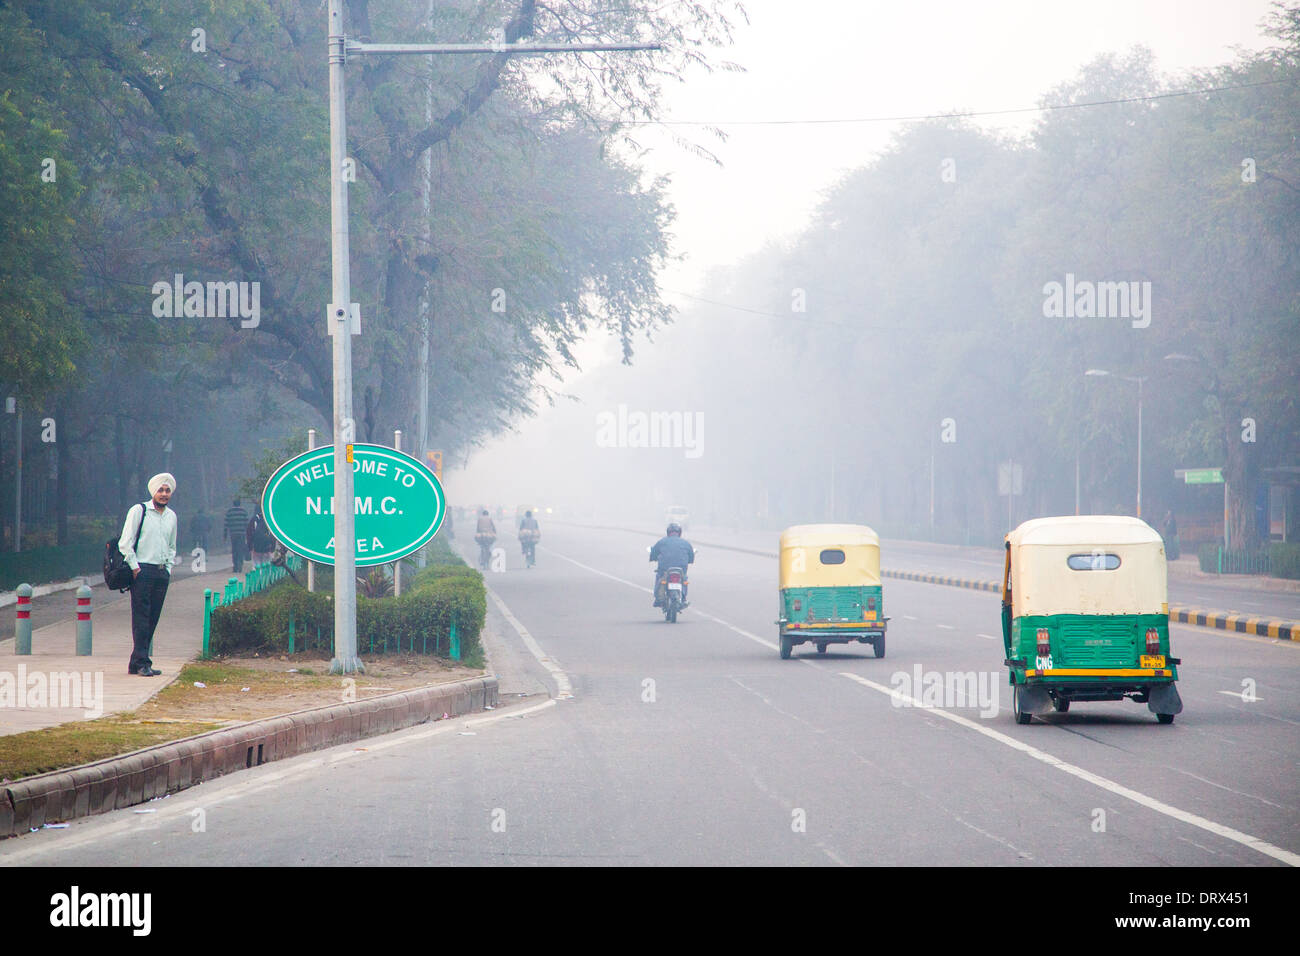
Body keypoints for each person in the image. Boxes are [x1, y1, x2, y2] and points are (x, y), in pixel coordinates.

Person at [119, 473, 178, 677]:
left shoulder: (171, 516)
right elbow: (125, 542)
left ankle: (136, 662)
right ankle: (143, 662)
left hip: (162, 572)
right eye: (160, 490)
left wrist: (168, 567)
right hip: (142, 571)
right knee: (141, 618)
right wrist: (135, 568)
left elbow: (172, 546)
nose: (164, 494)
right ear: (153, 491)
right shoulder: (139, 511)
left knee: (152, 618)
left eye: (167, 490)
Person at [649, 522, 695, 607]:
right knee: (684, 579)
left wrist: (653, 558)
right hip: (681, 569)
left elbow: (653, 553)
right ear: (680, 532)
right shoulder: (686, 543)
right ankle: (683, 597)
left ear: (668, 532)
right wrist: (689, 561)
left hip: (664, 569)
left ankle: (658, 598)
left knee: (659, 577)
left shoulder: (662, 541)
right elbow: (691, 557)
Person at [224, 498, 249, 573]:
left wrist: (225, 535)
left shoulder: (229, 512)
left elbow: (226, 524)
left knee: (234, 550)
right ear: (240, 504)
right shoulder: (243, 512)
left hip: (233, 534)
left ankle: (235, 566)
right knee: (240, 549)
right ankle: (240, 564)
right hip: (242, 534)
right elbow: (246, 524)